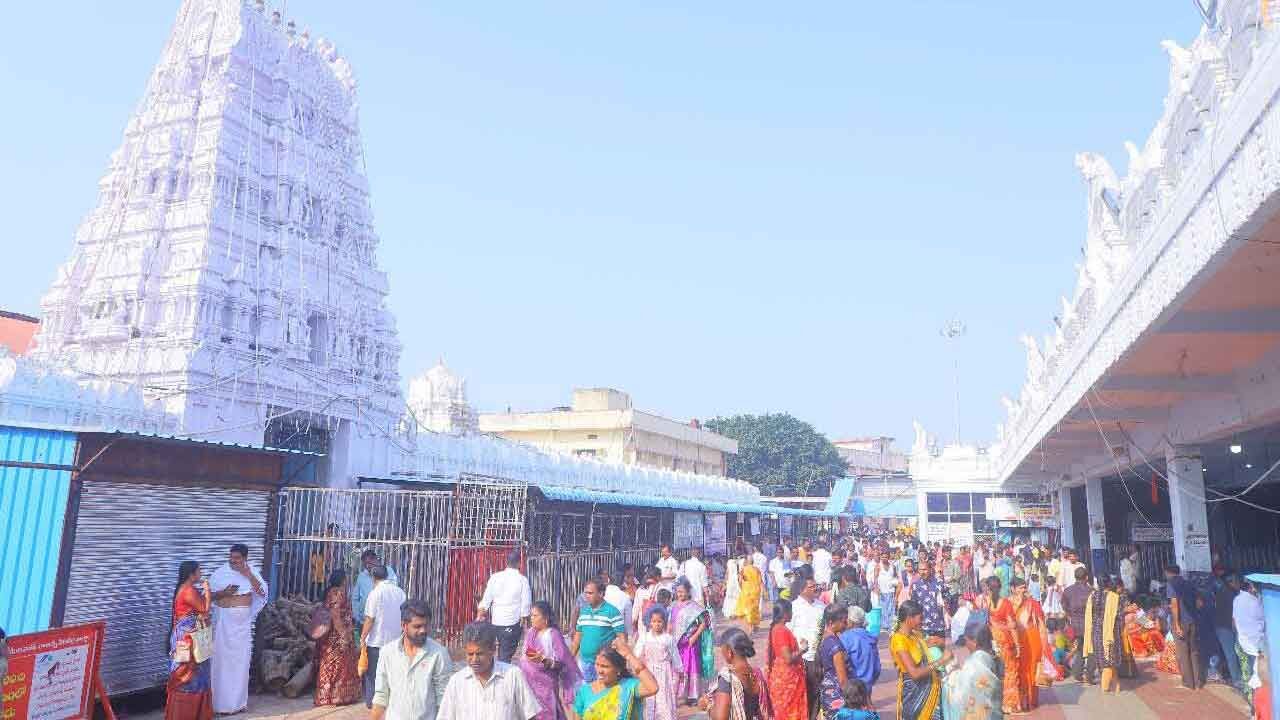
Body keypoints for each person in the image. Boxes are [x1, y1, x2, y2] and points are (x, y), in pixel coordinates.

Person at [437, 622, 541, 720]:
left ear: (492, 649)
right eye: (470, 654)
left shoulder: (512, 675)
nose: (474, 660)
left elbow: (530, 715)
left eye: (479, 654)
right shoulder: (457, 682)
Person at [209, 543, 267, 715]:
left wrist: (248, 575)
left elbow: (262, 593)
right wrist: (224, 593)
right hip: (224, 625)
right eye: (231, 557)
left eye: (237, 558)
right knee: (221, 662)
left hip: (241, 627)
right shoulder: (220, 573)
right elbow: (210, 596)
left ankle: (237, 703)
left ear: (245, 558)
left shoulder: (252, 572)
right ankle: (219, 704)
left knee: (240, 662)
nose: (233, 561)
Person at [370, 600, 452, 720]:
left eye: (426, 625)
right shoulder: (387, 653)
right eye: (417, 626)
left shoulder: (439, 654)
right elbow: (381, 695)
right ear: (404, 625)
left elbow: (444, 700)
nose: (423, 630)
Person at [518, 601, 582, 720]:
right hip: (529, 682)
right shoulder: (531, 632)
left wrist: (543, 660)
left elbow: (562, 663)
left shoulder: (553, 635)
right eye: (531, 615)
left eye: (535, 615)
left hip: (546, 685)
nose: (531, 618)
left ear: (545, 618)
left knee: (548, 713)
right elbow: (525, 655)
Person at [991, 576, 1046, 714]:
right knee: (1016, 671)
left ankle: (1030, 700)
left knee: (1030, 668)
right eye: (1020, 588)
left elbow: (1041, 624)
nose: (1024, 590)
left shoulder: (1032, 603)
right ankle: (1017, 702)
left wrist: (1045, 645)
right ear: (1012, 589)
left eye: (1025, 587)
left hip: (1031, 640)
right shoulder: (1006, 603)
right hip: (1012, 641)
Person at [166, 561, 213, 720]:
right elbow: (204, 609)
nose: (201, 573)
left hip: (187, 639)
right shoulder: (188, 591)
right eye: (199, 570)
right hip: (189, 641)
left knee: (190, 676)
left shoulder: (185, 589)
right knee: (189, 677)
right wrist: (207, 590)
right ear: (191, 574)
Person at [572, 640, 660, 720]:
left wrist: (629, 655)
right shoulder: (584, 691)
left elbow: (653, 688)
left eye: (605, 666)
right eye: (597, 664)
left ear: (618, 669)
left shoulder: (628, 687)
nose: (599, 671)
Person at [891, 600, 949, 720]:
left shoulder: (915, 635)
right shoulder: (898, 640)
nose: (922, 622)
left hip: (930, 690)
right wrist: (941, 661)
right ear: (909, 618)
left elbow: (928, 646)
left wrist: (938, 643)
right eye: (920, 618)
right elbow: (915, 673)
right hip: (914, 696)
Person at [361, 564, 408, 708]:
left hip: (377, 641)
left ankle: (373, 703)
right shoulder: (400, 592)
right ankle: (391, 701)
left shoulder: (375, 593)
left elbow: (370, 619)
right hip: (396, 640)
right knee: (392, 673)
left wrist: (363, 637)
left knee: (373, 675)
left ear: (373, 578)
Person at [703, 628, 773, 720]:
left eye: (722, 650)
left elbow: (720, 718)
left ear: (729, 652)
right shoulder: (757, 674)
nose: (722, 653)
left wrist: (707, 705)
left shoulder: (728, 679)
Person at [314, 569, 360, 707]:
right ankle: (335, 697)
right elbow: (335, 615)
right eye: (345, 578)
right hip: (337, 636)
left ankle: (331, 696)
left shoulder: (330, 592)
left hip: (334, 635)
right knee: (338, 665)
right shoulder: (337, 593)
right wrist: (344, 634)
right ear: (342, 580)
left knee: (333, 665)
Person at [479, 550, 533, 663]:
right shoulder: (522, 580)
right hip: (512, 622)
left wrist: (481, 612)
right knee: (505, 653)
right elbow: (526, 602)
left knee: (494, 650)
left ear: (506, 562)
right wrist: (525, 619)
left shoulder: (495, 577)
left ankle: (496, 671)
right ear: (519, 563)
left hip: (496, 621)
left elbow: (486, 599)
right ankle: (502, 676)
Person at [942, 622, 1002, 720]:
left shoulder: (974, 664)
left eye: (966, 641)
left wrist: (950, 677)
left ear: (974, 641)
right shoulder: (992, 657)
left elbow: (960, 695)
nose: (966, 645)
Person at [633, 606, 683, 720]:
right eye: (654, 621)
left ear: (664, 622)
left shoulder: (668, 639)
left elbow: (675, 656)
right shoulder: (644, 637)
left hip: (664, 672)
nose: (657, 624)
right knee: (649, 697)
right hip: (649, 671)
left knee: (663, 697)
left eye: (659, 621)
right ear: (649, 622)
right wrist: (636, 667)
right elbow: (636, 653)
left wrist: (680, 670)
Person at [669, 578, 713, 707]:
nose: (680, 594)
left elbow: (704, 623)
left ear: (688, 592)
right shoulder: (673, 606)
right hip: (676, 643)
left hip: (691, 643)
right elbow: (670, 622)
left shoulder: (694, 607)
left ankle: (692, 695)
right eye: (678, 592)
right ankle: (678, 694)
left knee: (692, 666)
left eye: (682, 592)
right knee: (678, 667)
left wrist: (695, 636)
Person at [572, 580, 626, 683]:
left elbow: (622, 638)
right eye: (585, 593)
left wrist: (620, 663)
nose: (587, 596)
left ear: (601, 594)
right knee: (587, 694)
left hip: (604, 665)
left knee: (602, 694)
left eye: (590, 593)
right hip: (584, 663)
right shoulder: (584, 612)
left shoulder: (612, 612)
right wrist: (569, 660)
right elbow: (577, 639)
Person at [787, 577, 825, 720]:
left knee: (816, 692)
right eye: (811, 587)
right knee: (801, 693)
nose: (815, 588)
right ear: (802, 590)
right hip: (801, 658)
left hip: (817, 657)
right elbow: (788, 631)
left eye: (815, 585)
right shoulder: (794, 607)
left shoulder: (821, 606)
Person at [1083, 575, 1124, 695]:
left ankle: (1116, 686)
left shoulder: (1092, 596)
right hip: (1110, 633)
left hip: (1095, 632)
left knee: (1104, 661)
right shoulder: (1116, 597)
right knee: (1109, 661)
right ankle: (1105, 690)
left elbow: (1089, 615)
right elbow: (1120, 618)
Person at [767, 600, 808, 720]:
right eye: (791, 611)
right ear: (785, 614)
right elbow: (788, 658)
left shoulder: (777, 628)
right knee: (790, 713)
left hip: (783, 677)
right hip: (787, 680)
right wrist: (802, 650)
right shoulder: (781, 631)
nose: (792, 614)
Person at [1167, 564, 1205, 690]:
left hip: (1181, 622)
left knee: (1183, 652)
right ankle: (1198, 681)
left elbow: (1174, 604)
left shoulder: (1171, 584)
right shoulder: (1188, 583)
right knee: (1194, 651)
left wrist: (1177, 624)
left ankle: (1189, 683)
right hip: (1192, 621)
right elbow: (1200, 601)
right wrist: (1193, 612)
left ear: (1168, 573)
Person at [818, 604, 853, 717]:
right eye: (843, 621)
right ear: (832, 622)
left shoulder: (825, 638)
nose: (846, 624)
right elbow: (842, 679)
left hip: (828, 691)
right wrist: (852, 699)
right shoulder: (835, 646)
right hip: (837, 694)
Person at [1235, 577, 1266, 707]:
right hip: (1255, 644)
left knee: (1246, 671)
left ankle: (1250, 700)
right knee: (1258, 675)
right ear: (1250, 588)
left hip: (1241, 641)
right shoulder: (1254, 602)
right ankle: (1257, 704)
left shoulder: (1236, 599)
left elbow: (1233, 619)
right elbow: (1264, 617)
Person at [1061, 566, 1093, 683]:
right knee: (1091, 650)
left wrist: (1070, 615)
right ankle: (1088, 675)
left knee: (1080, 648)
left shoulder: (1068, 591)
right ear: (1086, 577)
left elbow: (1064, 605)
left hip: (1074, 624)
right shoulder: (1091, 591)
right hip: (1088, 624)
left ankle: (1077, 672)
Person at [839, 606, 881, 691]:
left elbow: (840, 663)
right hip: (867, 685)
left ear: (850, 622)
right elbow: (877, 667)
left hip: (852, 687)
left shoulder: (846, 637)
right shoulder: (870, 637)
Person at [353, 549, 400, 627]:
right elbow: (355, 598)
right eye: (365, 564)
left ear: (376, 560)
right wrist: (357, 616)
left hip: (384, 620)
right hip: (365, 620)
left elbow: (393, 590)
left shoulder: (388, 571)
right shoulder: (361, 576)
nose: (367, 566)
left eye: (369, 563)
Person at [1214, 572, 1242, 689]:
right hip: (1226, 628)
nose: (1239, 584)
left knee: (1230, 654)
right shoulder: (1229, 594)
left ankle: (1232, 677)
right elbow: (1232, 615)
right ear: (1231, 582)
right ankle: (1237, 680)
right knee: (1231, 654)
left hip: (1223, 627)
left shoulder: (1223, 591)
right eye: (1237, 582)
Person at [911, 560, 950, 643]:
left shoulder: (939, 583)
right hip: (923, 625)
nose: (922, 572)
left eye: (925, 569)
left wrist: (945, 604)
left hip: (938, 623)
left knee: (940, 650)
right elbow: (913, 605)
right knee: (926, 652)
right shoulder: (915, 585)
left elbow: (947, 598)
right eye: (920, 570)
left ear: (930, 569)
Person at [600, 571, 633, 641]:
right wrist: (628, 637)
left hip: (600, 631)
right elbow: (628, 622)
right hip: (617, 635)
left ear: (609, 580)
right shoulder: (625, 597)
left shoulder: (601, 594)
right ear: (622, 582)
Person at [736, 556, 765, 629]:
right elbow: (761, 581)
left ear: (747, 561)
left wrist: (742, 588)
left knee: (747, 609)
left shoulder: (743, 569)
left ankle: (749, 626)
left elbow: (739, 580)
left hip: (746, 591)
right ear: (753, 561)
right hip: (756, 592)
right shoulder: (756, 569)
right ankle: (754, 625)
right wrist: (763, 591)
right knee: (754, 608)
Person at [724, 555, 742, 620]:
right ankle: (735, 612)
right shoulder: (739, 562)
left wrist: (725, 582)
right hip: (736, 581)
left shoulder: (729, 562)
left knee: (730, 597)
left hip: (730, 581)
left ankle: (730, 613)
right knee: (736, 597)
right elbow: (739, 573)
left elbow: (727, 573)